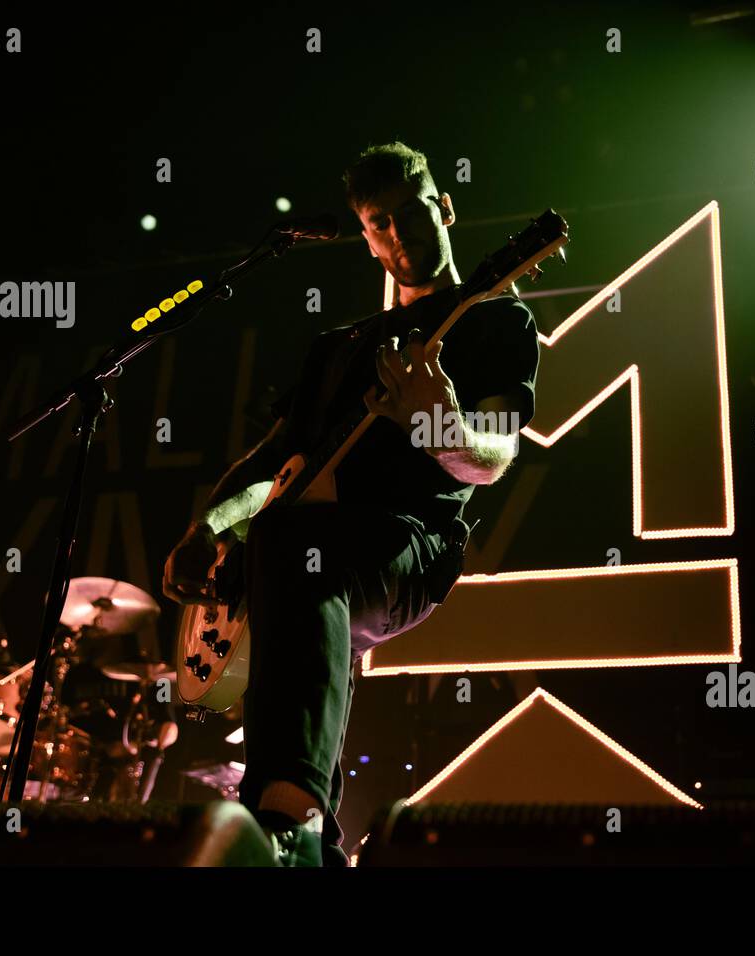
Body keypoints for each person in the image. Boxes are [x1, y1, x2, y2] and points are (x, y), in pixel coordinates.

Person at [162, 142, 541, 866]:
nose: (401, 234)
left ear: (446, 207)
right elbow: (272, 460)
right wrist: (206, 525)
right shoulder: (338, 346)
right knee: (287, 541)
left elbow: (492, 459)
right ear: (366, 239)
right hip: (310, 543)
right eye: (380, 223)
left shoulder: (496, 323)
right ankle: (298, 837)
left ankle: (292, 822)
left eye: (414, 212)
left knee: (299, 548)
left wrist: (436, 425)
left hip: (411, 545)